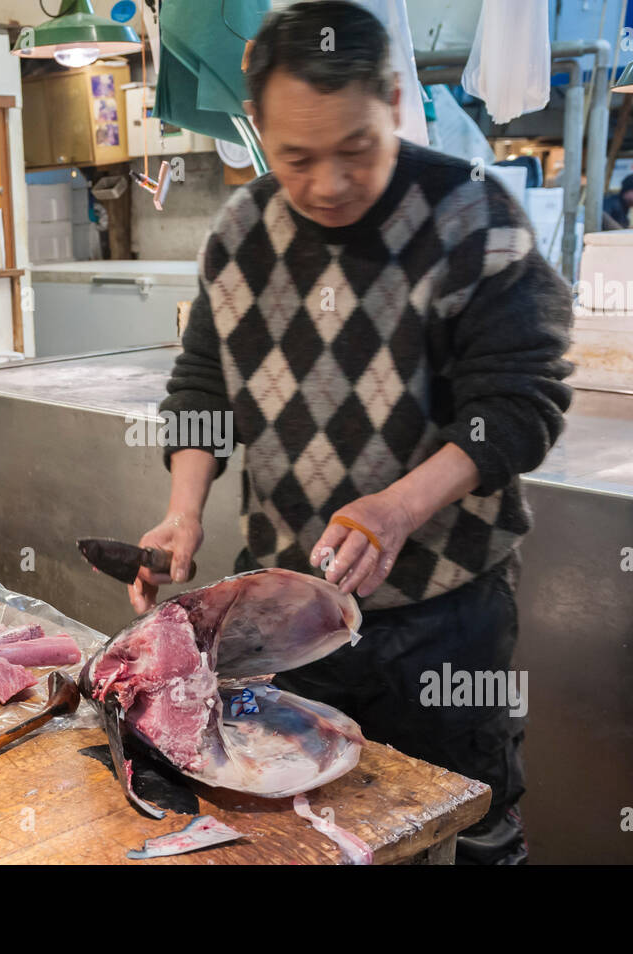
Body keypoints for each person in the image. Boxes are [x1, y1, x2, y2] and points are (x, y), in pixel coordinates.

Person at [127, 0, 573, 864]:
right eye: (297, 158)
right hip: (288, 620)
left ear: (394, 100)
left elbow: (521, 403)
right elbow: (201, 387)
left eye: (355, 149)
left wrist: (400, 507)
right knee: (306, 828)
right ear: (256, 125)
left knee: (473, 820)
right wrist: (184, 511)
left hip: (448, 615)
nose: (328, 182)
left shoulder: (474, 217)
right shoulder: (241, 233)